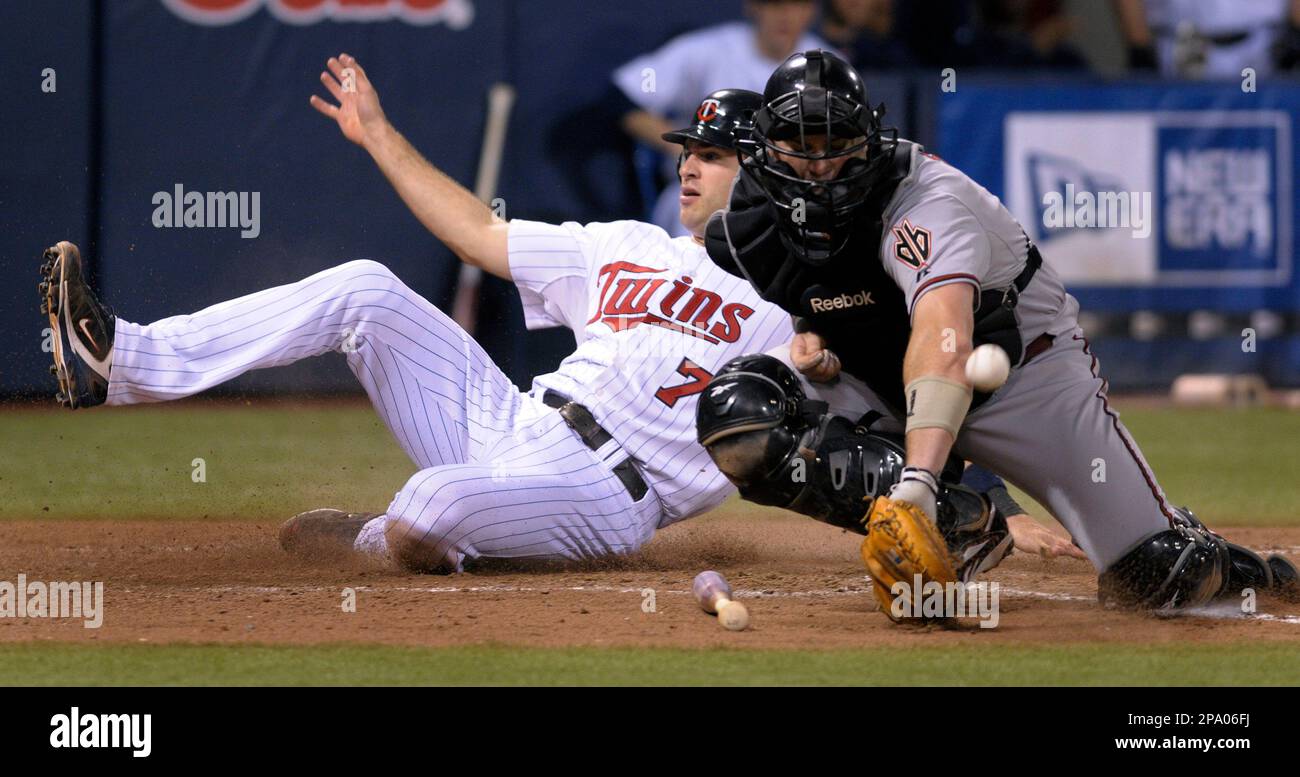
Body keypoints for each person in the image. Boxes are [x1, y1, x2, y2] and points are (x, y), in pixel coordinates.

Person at [38, 55, 1066, 576]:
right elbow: (478, 237)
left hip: (607, 493)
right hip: (513, 419)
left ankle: (391, 537)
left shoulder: (807, 294)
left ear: (763, 172)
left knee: (435, 505)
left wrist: (1004, 510)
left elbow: (907, 405)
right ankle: (119, 360)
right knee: (361, 288)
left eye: (711, 156)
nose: (690, 169)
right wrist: (381, 137)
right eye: (686, 153)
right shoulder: (624, 244)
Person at [697, 49, 1298, 611]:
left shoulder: (926, 201)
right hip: (876, 371)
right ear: (764, 150)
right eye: (799, 146)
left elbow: (944, 337)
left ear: (870, 139)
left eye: (837, 143)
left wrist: (917, 482)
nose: (821, 164)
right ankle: (963, 526)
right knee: (743, 414)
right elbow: (818, 278)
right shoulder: (751, 222)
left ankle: (1262, 576)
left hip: (1023, 375)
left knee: (1160, 578)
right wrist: (813, 329)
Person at [612, 0, 830, 236]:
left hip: (787, 193)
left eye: (798, 5)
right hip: (703, 190)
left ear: (811, 11)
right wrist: (685, 149)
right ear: (754, 6)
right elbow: (622, 98)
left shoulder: (826, 68)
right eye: (775, 5)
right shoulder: (707, 50)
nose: (786, 16)